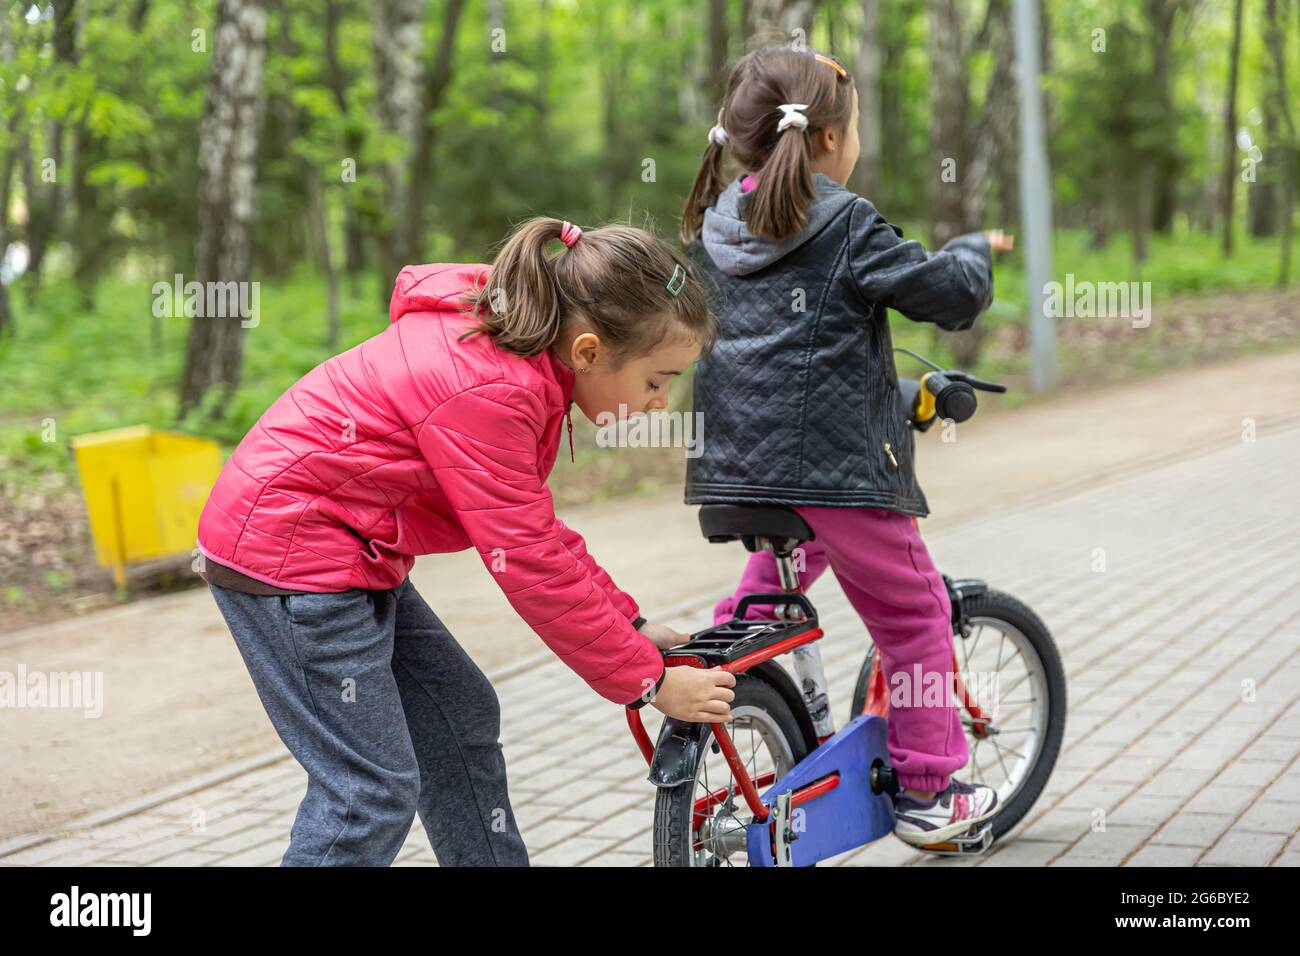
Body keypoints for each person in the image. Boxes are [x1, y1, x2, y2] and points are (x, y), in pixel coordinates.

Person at [196, 217, 736, 865]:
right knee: (370, 792)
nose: (661, 402)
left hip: (343, 551)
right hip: (289, 558)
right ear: (589, 351)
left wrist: (633, 624)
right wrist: (646, 681)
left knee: (459, 716)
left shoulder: (520, 363)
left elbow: (532, 530)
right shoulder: (491, 388)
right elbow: (530, 564)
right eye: (657, 380)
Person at [680, 45, 1014, 848]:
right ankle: (933, 794)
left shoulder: (715, 226)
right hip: (831, 471)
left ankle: (724, 678)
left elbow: (785, 351)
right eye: (856, 123)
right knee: (916, 616)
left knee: (775, 589)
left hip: (736, 471)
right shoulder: (846, 222)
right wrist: (969, 250)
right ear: (828, 140)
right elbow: (951, 296)